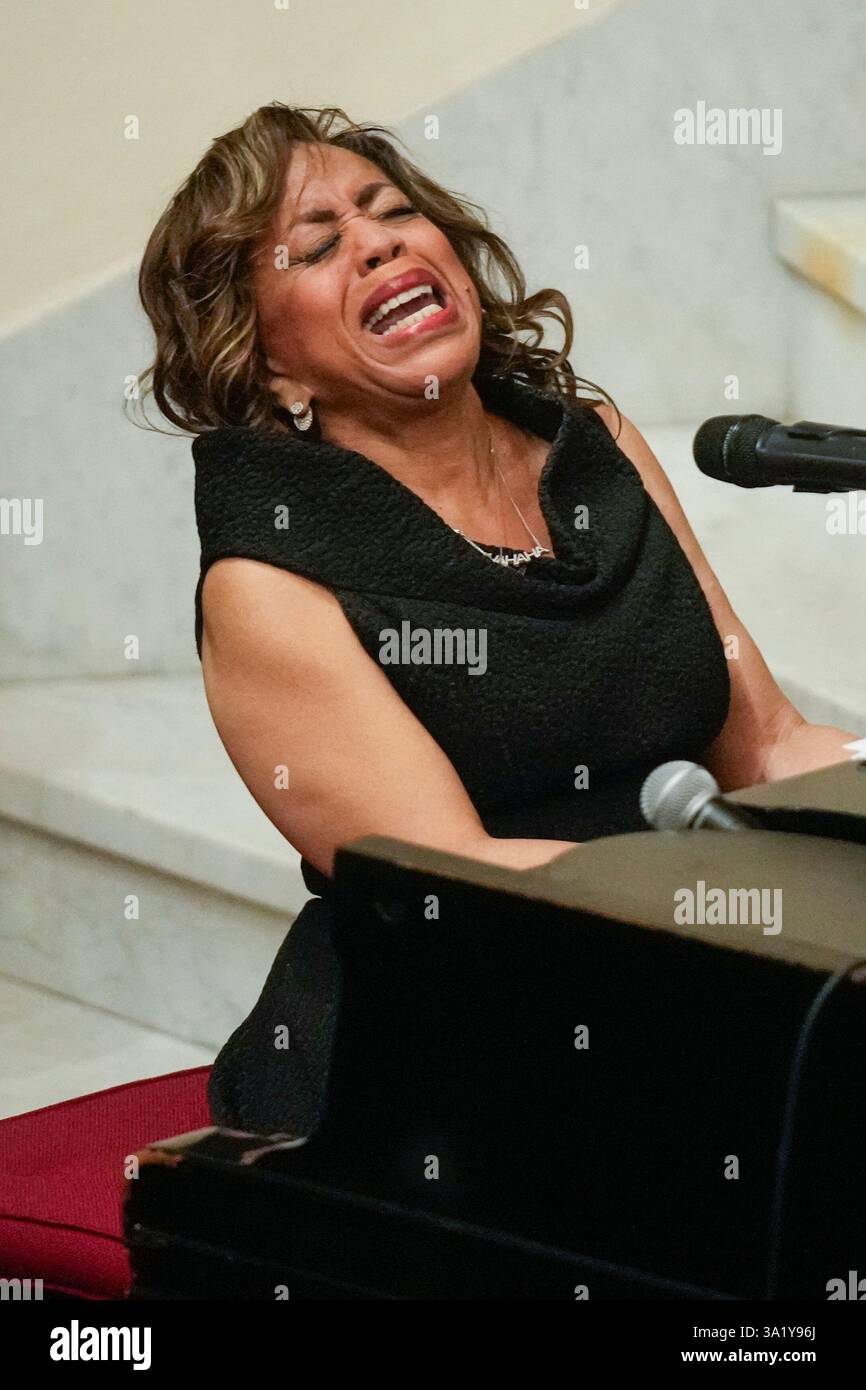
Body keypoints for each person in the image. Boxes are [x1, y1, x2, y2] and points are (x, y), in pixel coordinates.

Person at [136, 102, 858, 1135]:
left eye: (390, 211)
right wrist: (740, 900)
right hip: (448, 1053)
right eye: (317, 247)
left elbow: (768, 745)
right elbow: (450, 878)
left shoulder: (590, 446)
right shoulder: (269, 575)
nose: (378, 241)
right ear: (267, 364)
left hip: (698, 959)